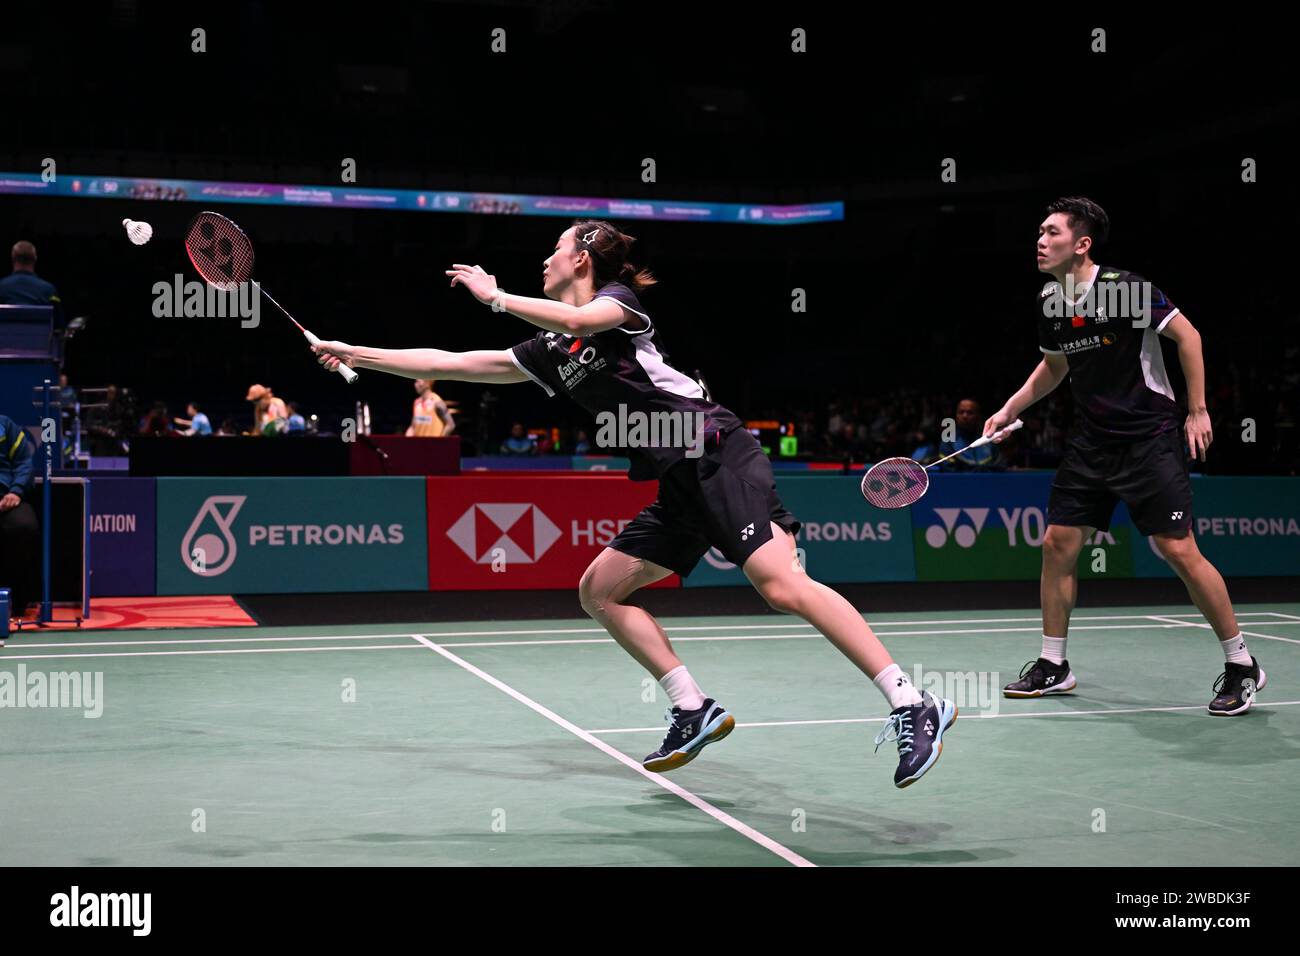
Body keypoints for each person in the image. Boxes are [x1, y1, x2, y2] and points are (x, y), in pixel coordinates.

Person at [313, 219, 957, 788]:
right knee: (600, 591)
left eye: (555, 249)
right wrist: (355, 353)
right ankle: (692, 706)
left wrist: (496, 297)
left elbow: (575, 318)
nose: (546, 259)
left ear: (583, 258)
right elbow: (455, 363)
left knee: (781, 585)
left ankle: (910, 700)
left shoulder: (620, 306)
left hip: (713, 450)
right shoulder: (549, 351)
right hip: (675, 481)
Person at [986, 197, 1260, 715]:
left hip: (1148, 436)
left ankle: (1242, 663)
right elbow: (1054, 368)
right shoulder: (1051, 299)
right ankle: (1054, 664)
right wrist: (1008, 409)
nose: (1040, 241)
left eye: (1051, 232)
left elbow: (1189, 337)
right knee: (1057, 544)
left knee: (1177, 550)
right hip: (1092, 441)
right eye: (1038, 233)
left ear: (1082, 243)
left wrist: (1197, 410)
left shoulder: (1125, 289)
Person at [0, 414, 39, 624]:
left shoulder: (6, 425)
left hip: (8, 499)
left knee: (24, 527)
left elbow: (24, 463)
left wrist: (16, 491)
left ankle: (18, 601)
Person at [0, 241, 63, 329]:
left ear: (12, 258)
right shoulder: (49, 290)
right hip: (41, 342)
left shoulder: (1, 286)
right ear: (35, 258)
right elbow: (58, 327)